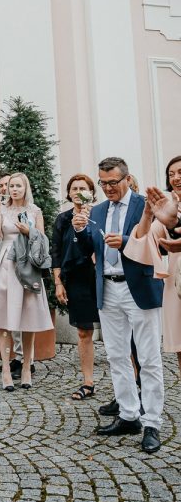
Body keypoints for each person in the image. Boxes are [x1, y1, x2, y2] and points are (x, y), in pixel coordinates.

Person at [72, 157, 164, 454]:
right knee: (116, 355)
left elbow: (156, 242)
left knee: (148, 358)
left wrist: (124, 241)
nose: (108, 188)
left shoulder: (143, 204)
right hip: (108, 289)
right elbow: (89, 250)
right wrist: (80, 231)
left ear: (127, 178)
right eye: (103, 183)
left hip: (139, 286)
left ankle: (152, 422)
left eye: (113, 182)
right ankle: (128, 414)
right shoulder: (97, 209)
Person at [0, 172, 53, 391]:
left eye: (18, 186)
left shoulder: (34, 211)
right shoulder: (2, 209)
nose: (14, 189)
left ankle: (26, 367)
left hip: (28, 266)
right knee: (5, 318)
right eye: (11, 186)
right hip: (7, 263)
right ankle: (5, 369)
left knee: (29, 316)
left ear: (25, 188)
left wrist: (29, 230)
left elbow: (43, 240)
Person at [125, 157, 181, 377]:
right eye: (171, 174)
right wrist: (149, 216)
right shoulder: (168, 209)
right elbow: (141, 243)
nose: (176, 178)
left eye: (180, 172)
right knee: (180, 347)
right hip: (177, 286)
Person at [52, 174, 99, 400]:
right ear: (69, 193)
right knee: (83, 331)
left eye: (83, 187)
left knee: (119, 330)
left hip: (100, 276)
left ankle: (133, 380)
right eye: (74, 188)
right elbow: (56, 253)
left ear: (91, 192)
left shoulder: (99, 215)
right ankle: (88, 382)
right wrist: (58, 282)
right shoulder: (62, 219)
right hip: (76, 278)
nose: (78, 191)